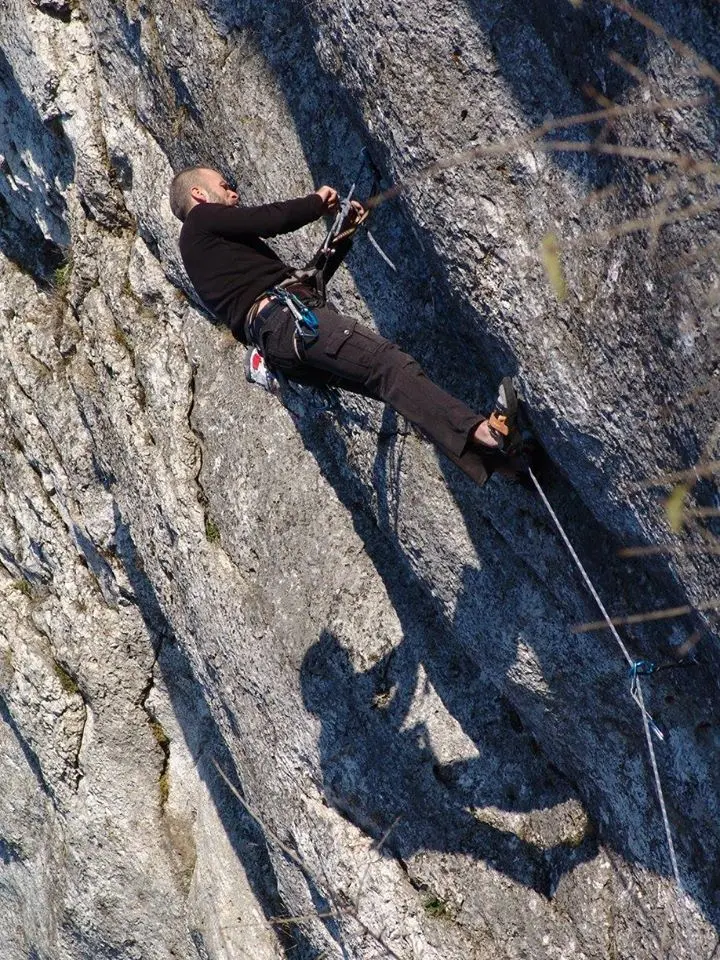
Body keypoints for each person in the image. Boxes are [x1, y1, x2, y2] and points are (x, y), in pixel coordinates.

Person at [170, 166, 523, 486]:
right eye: (225, 185)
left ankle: (504, 463)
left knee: (392, 384)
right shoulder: (200, 221)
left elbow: (301, 285)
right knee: (389, 366)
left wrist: (343, 235)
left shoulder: (211, 255)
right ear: (199, 194)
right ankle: (486, 434)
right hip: (289, 325)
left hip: (283, 340)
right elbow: (270, 220)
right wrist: (316, 202)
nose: (234, 193)